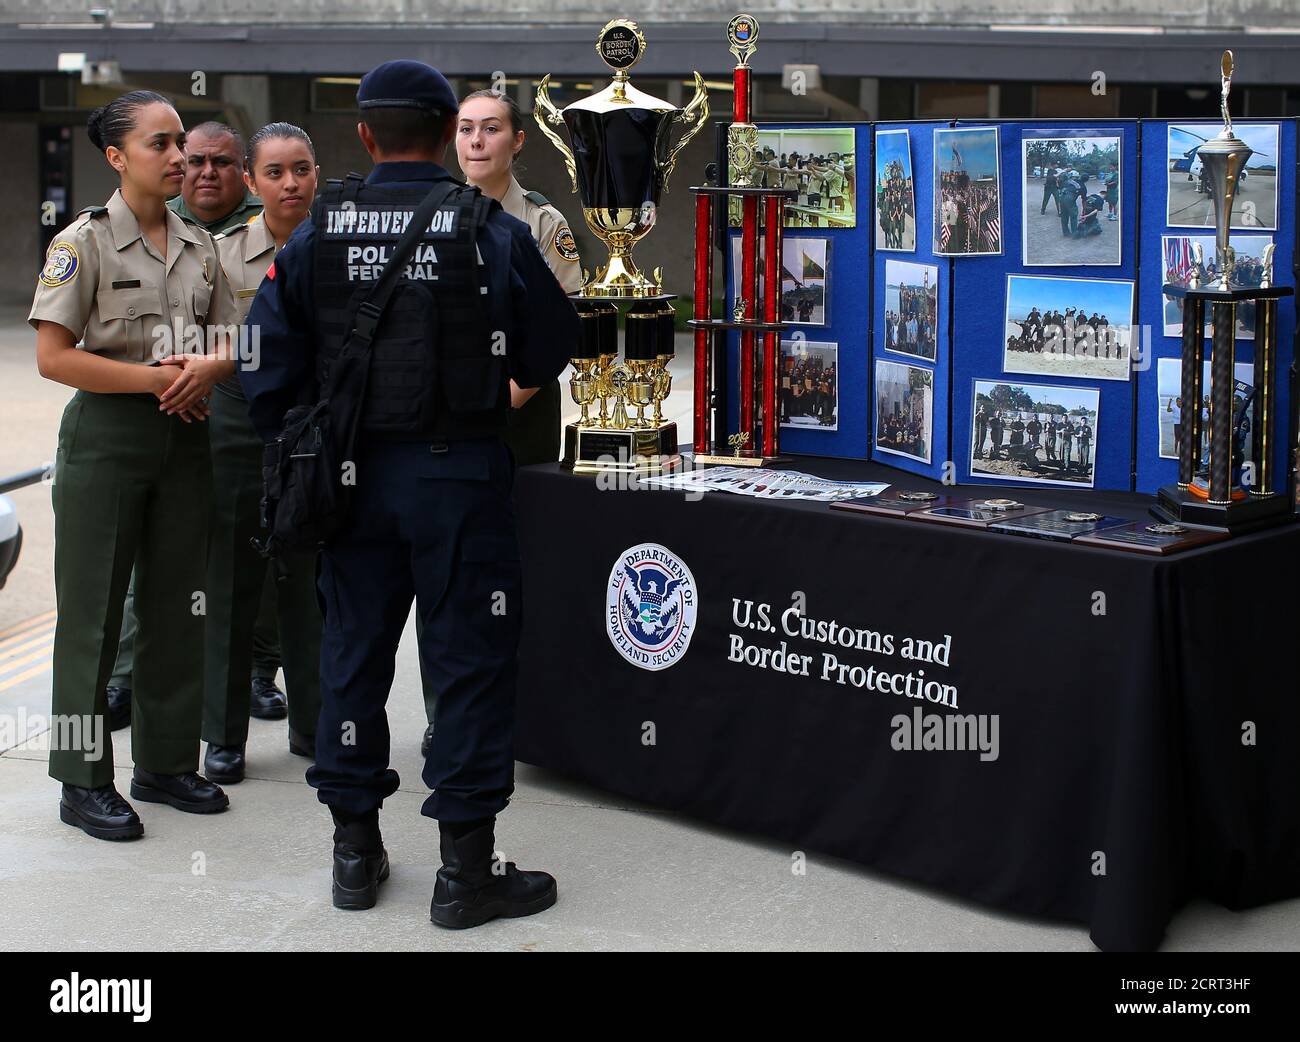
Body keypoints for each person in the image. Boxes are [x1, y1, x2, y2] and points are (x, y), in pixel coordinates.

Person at [240, 60, 579, 926]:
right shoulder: (488, 227)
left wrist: (308, 439)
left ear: (363, 135)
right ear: (443, 132)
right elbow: (550, 344)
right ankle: (464, 876)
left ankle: (355, 856)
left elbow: (262, 367)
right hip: (458, 476)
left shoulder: (318, 231)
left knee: (352, 658)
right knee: (467, 665)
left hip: (347, 485)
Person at [31, 91, 240, 840]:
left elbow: (231, 340)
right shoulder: (82, 243)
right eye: (162, 144)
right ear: (119, 157)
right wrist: (159, 379)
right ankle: (81, 780)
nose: (181, 156)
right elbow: (54, 357)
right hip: (108, 439)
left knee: (178, 607)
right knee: (91, 618)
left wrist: (209, 371)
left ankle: (164, 763)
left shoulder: (200, 243)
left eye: (181, 141)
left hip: (185, 440)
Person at [105, 120, 284, 732]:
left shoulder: (272, 224)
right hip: (166, 407)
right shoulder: (155, 220)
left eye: (224, 163)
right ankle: (127, 677)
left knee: (253, 550)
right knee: (156, 558)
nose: (207, 172)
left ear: (245, 172)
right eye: (197, 160)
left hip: (244, 411)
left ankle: (257, 671)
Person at [201, 123, 324, 786]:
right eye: (274, 172)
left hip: (313, 430)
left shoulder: (338, 247)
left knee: (307, 582)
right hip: (238, 428)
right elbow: (202, 345)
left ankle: (314, 723)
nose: (290, 183)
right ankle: (223, 737)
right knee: (232, 581)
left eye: (300, 169)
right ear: (252, 182)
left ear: (315, 174)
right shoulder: (219, 257)